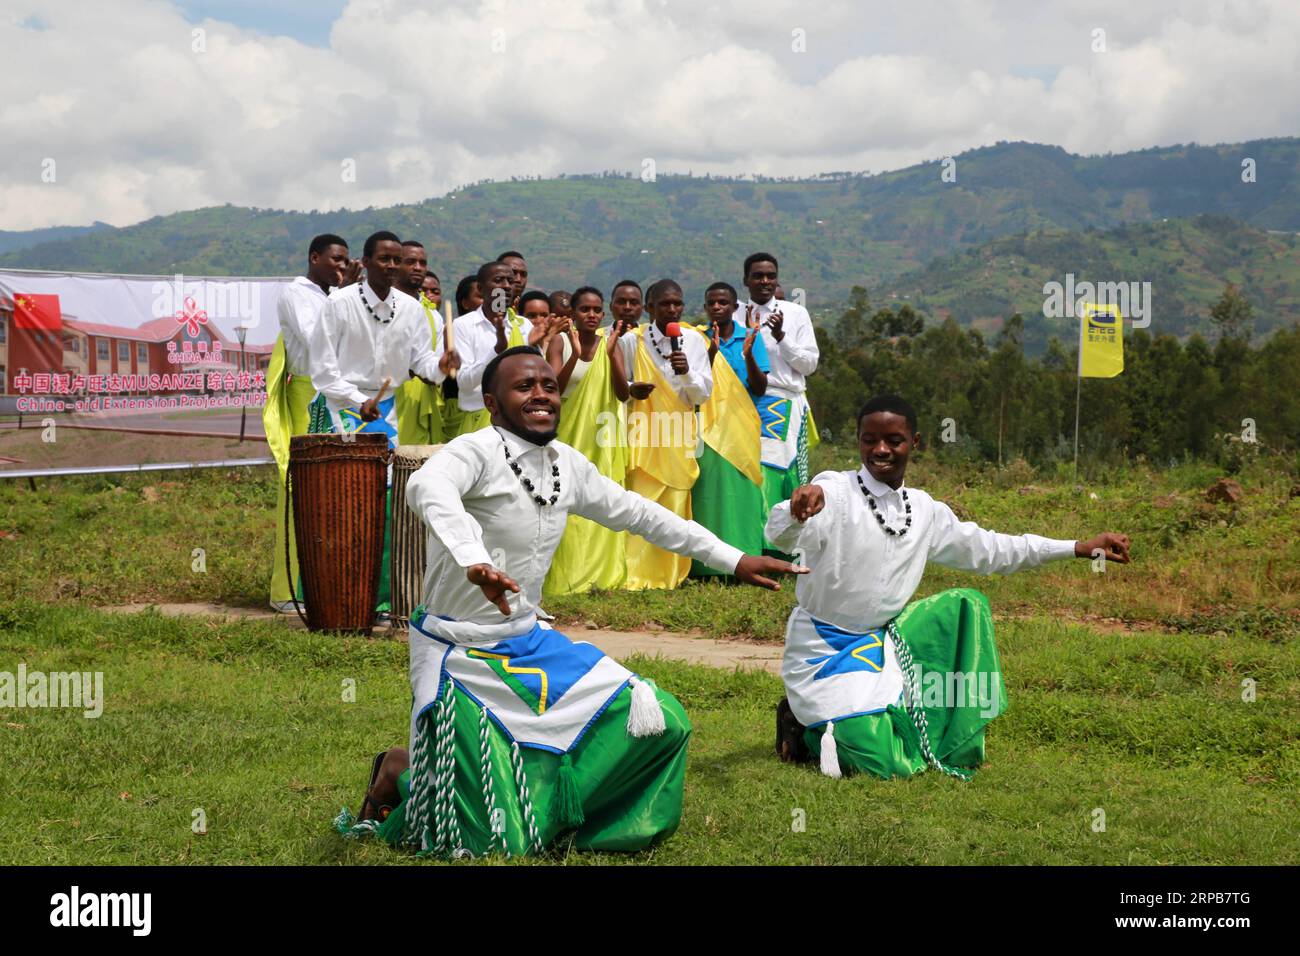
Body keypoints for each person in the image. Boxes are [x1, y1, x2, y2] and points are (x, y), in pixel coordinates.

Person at [334, 346, 803, 858]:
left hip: (526, 643)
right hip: (456, 652)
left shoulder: (567, 465)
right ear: (491, 402)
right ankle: (400, 771)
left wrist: (733, 558)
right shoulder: (474, 450)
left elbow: (641, 515)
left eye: (549, 386)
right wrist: (473, 559)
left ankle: (567, 819)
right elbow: (428, 486)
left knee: (662, 720)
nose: (541, 394)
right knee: (479, 841)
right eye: (523, 386)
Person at [766, 394, 1132, 780]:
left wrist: (1077, 548)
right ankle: (802, 729)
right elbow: (780, 536)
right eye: (869, 439)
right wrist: (795, 510)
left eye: (894, 440)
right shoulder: (834, 491)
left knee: (966, 605)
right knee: (884, 762)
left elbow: (992, 549)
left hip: (881, 640)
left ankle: (905, 720)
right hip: (822, 646)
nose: (880, 450)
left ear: (916, 442)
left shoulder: (924, 510)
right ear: (858, 440)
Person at [302, 230, 460, 617]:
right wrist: (358, 401)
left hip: (384, 411)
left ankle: (381, 597)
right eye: (385, 260)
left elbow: (420, 362)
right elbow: (322, 370)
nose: (392, 267)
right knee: (337, 502)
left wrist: (440, 368)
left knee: (386, 500)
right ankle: (335, 594)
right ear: (367, 262)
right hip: (339, 405)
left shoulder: (412, 309)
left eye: (397, 260)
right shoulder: (338, 304)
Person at [264, 233, 358, 612]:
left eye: (345, 261)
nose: (340, 266)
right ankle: (288, 590)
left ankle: (327, 583)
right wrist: (345, 294)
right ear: (314, 257)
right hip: (308, 395)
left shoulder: (335, 295)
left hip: (337, 397)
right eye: (335, 259)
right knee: (301, 488)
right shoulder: (296, 293)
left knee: (334, 492)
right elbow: (314, 338)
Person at [542, 287, 637, 596]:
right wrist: (576, 353)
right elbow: (552, 388)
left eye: (597, 310)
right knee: (566, 500)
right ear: (573, 313)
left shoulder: (613, 344)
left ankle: (603, 574)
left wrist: (609, 356)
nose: (592, 315)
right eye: (585, 309)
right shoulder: (560, 342)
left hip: (603, 436)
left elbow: (623, 394)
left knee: (602, 498)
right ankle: (568, 576)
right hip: (569, 434)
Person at [624, 279, 713, 590]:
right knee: (640, 501)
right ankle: (635, 574)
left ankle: (669, 574)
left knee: (674, 502)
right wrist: (632, 389)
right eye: (665, 304)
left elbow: (702, 396)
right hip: (641, 434)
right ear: (649, 308)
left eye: (677, 303)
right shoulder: (632, 341)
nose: (672, 309)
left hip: (678, 432)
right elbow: (616, 385)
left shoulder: (693, 341)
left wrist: (687, 370)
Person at [737, 253, 820, 552]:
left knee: (781, 473)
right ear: (746, 280)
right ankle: (750, 544)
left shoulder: (795, 314)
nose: (764, 281)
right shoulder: (734, 313)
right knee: (748, 473)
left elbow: (810, 364)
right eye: (758, 276)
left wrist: (782, 337)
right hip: (742, 403)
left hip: (782, 400)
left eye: (770, 275)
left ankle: (782, 547)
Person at [689, 282, 769, 578]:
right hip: (707, 428)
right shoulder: (697, 339)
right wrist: (710, 352)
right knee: (707, 491)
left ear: (735, 307)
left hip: (741, 426)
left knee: (741, 492)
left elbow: (760, 388)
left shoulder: (750, 338)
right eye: (712, 302)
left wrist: (748, 356)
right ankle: (704, 563)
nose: (717, 307)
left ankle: (744, 557)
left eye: (723, 302)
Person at [452, 261, 549, 435]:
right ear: (481, 289)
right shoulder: (463, 325)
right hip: (478, 421)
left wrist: (533, 346)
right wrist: (497, 350)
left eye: (510, 281)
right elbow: (464, 383)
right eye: (498, 280)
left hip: (518, 420)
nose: (506, 286)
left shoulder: (523, 324)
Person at [394, 240, 444, 445]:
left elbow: (436, 362)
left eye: (423, 263)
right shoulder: (384, 306)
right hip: (390, 398)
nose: (418, 267)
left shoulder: (433, 315)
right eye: (411, 261)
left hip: (425, 399)